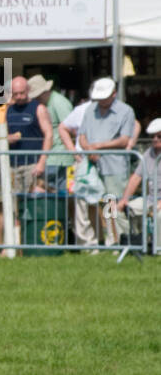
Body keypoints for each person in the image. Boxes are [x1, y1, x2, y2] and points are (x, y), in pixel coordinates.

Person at [75, 77, 135, 249]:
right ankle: (90, 242)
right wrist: (89, 150)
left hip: (114, 165)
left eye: (105, 97)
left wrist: (99, 147)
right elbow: (82, 136)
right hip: (90, 166)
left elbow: (124, 140)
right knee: (85, 201)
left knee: (112, 203)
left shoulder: (126, 111)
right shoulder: (90, 110)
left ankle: (115, 241)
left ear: (114, 94)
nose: (101, 101)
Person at [0, 75, 51, 194]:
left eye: (22, 93)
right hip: (13, 165)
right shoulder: (9, 110)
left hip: (32, 165)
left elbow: (49, 135)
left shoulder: (38, 108)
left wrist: (42, 162)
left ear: (28, 90)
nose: (19, 97)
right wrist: (8, 138)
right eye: (15, 94)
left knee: (32, 203)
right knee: (14, 203)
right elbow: (4, 134)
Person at [118, 118, 161, 252]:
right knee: (117, 211)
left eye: (159, 136)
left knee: (159, 215)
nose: (155, 139)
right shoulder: (148, 154)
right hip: (150, 200)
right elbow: (136, 178)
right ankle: (133, 245)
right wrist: (124, 200)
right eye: (152, 136)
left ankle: (157, 249)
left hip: (159, 203)